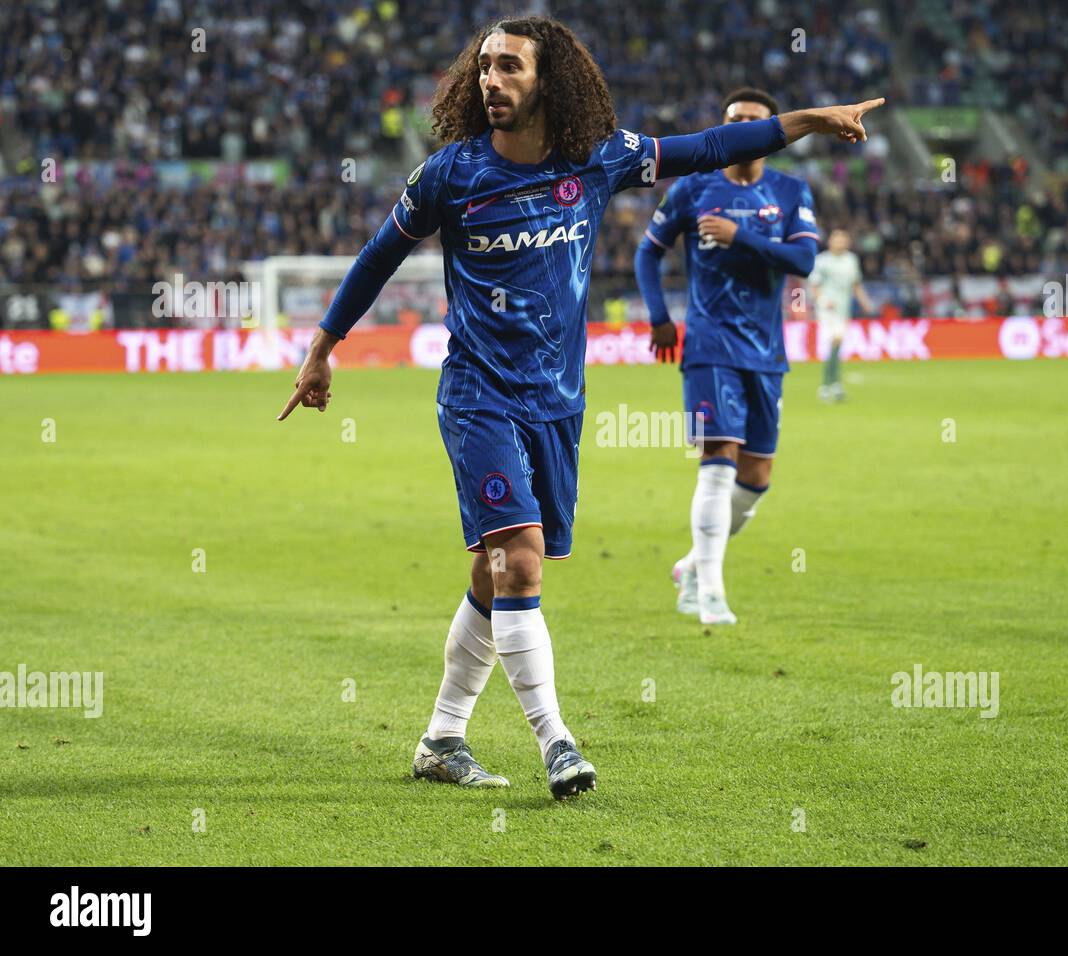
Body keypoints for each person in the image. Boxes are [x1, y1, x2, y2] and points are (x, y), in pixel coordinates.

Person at [277, 15, 885, 797]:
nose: (492, 80)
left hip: (558, 401)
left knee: (496, 573)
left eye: (510, 68)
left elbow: (710, 147)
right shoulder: (449, 176)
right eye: (485, 67)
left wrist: (806, 119)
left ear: (547, 83)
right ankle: (557, 742)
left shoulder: (597, 161)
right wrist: (324, 346)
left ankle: (440, 738)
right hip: (478, 394)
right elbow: (378, 259)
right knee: (520, 556)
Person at [634, 87, 825, 625]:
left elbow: (804, 260)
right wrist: (659, 317)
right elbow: (648, 252)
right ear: (723, 128)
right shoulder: (694, 188)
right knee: (718, 463)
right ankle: (711, 593)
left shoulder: (791, 191)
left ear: (771, 132)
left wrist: (740, 235)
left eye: (753, 121)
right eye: (734, 120)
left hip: (766, 350)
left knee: (757, 477)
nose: (743, 127)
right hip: (709, 345)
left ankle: (693, 564)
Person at [810, 228, 872, 402]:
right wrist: (823, 300)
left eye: (843, 239)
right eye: (837, 239)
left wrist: (865, 302)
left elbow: (856, 285)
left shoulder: (851, 260)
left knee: (836, 348)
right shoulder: (822, 261)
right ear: (830, 241)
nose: (840, 242)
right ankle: (826, 386)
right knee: (834, 342)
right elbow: (814, 285)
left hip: (844, 311)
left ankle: (834, 386)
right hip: (827, 311)